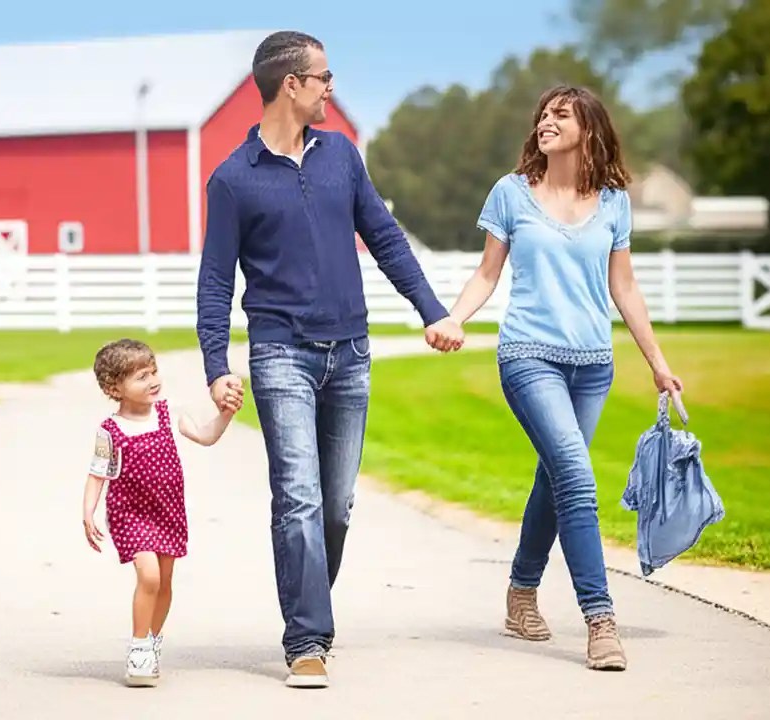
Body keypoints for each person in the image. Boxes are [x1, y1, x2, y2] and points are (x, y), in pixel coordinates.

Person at [195, 30, 463, 689]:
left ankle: (309, 601)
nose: (330, 88)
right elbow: (214, 283)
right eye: (323, 77)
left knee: (335, 505)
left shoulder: (342, 155)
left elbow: (386, 237)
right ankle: (306, 639)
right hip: (280, 351)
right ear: (292, 84)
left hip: (351, 353)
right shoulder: (233, 180)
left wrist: (434, 310)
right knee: (298, 499)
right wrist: (216, 365)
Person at [445, 85, 685, 671]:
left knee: (556, 481)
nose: (546, 121)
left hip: (593, 366)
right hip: (529, 355)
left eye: (561, 114)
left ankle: (521, 593)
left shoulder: (613, 202)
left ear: (590, 130)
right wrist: (454, 315)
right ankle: (600, 620)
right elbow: (486, 274)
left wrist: (658, 363)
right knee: (577, 478)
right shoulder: (511, 193)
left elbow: (623, 288)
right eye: (543, 114)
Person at [82, 338, 237, 687]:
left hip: (167, 513)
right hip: (130, 514)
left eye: (153, 372)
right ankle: (138, 646)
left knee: (165, 581)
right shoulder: (110, 431)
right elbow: (97, 474)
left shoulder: (167, 415)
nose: (152, 380)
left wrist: (225, 415)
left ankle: (152, 641)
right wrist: (87, 513)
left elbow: (205, 435)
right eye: (140, 377)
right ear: (114, 388)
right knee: (149, 577)